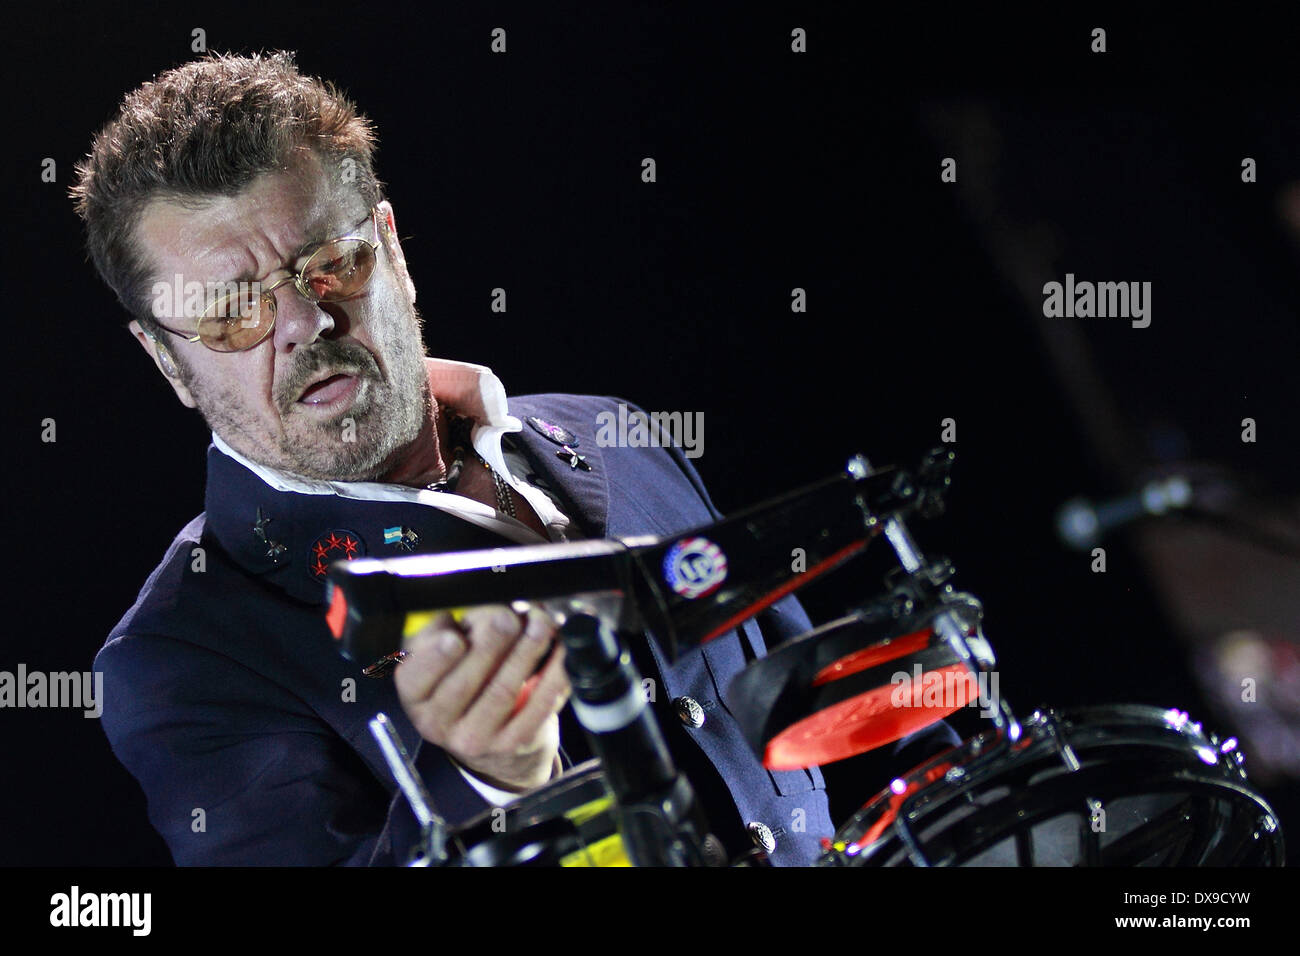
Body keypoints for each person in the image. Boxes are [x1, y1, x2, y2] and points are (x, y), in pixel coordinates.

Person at [72, 51, 953, 866]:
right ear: (165, 358)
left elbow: (813, 710)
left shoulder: (613, 430)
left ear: (392, 247)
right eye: (231, 311)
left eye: (331, 263)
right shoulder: (183, 659)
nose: (304, 322)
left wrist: (946, 721)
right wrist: (485, 783)